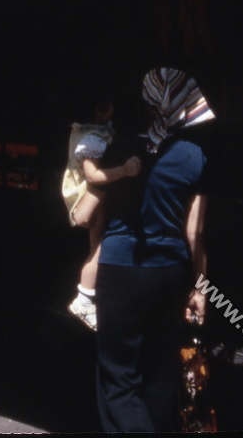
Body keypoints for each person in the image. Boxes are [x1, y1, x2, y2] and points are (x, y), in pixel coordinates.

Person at [95, 67, 214, 433]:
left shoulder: (119, 149)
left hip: (120, 268)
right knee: (162, 375)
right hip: (170, 272)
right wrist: (199, 289)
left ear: (148, 105)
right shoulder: (196, 156)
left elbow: (85, 214)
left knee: (119, 380)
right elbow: (194, 232)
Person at [63, 93, 141, 330]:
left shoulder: (95, 129)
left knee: (98, 245)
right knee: (98, 247)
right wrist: (124, 170)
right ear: (96, 111)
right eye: (107, 104)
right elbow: (93, 175)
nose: (112, 106)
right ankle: (84, 299)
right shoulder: (91, 139)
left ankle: (88, 296)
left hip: (89, 195)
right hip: (83, 195)